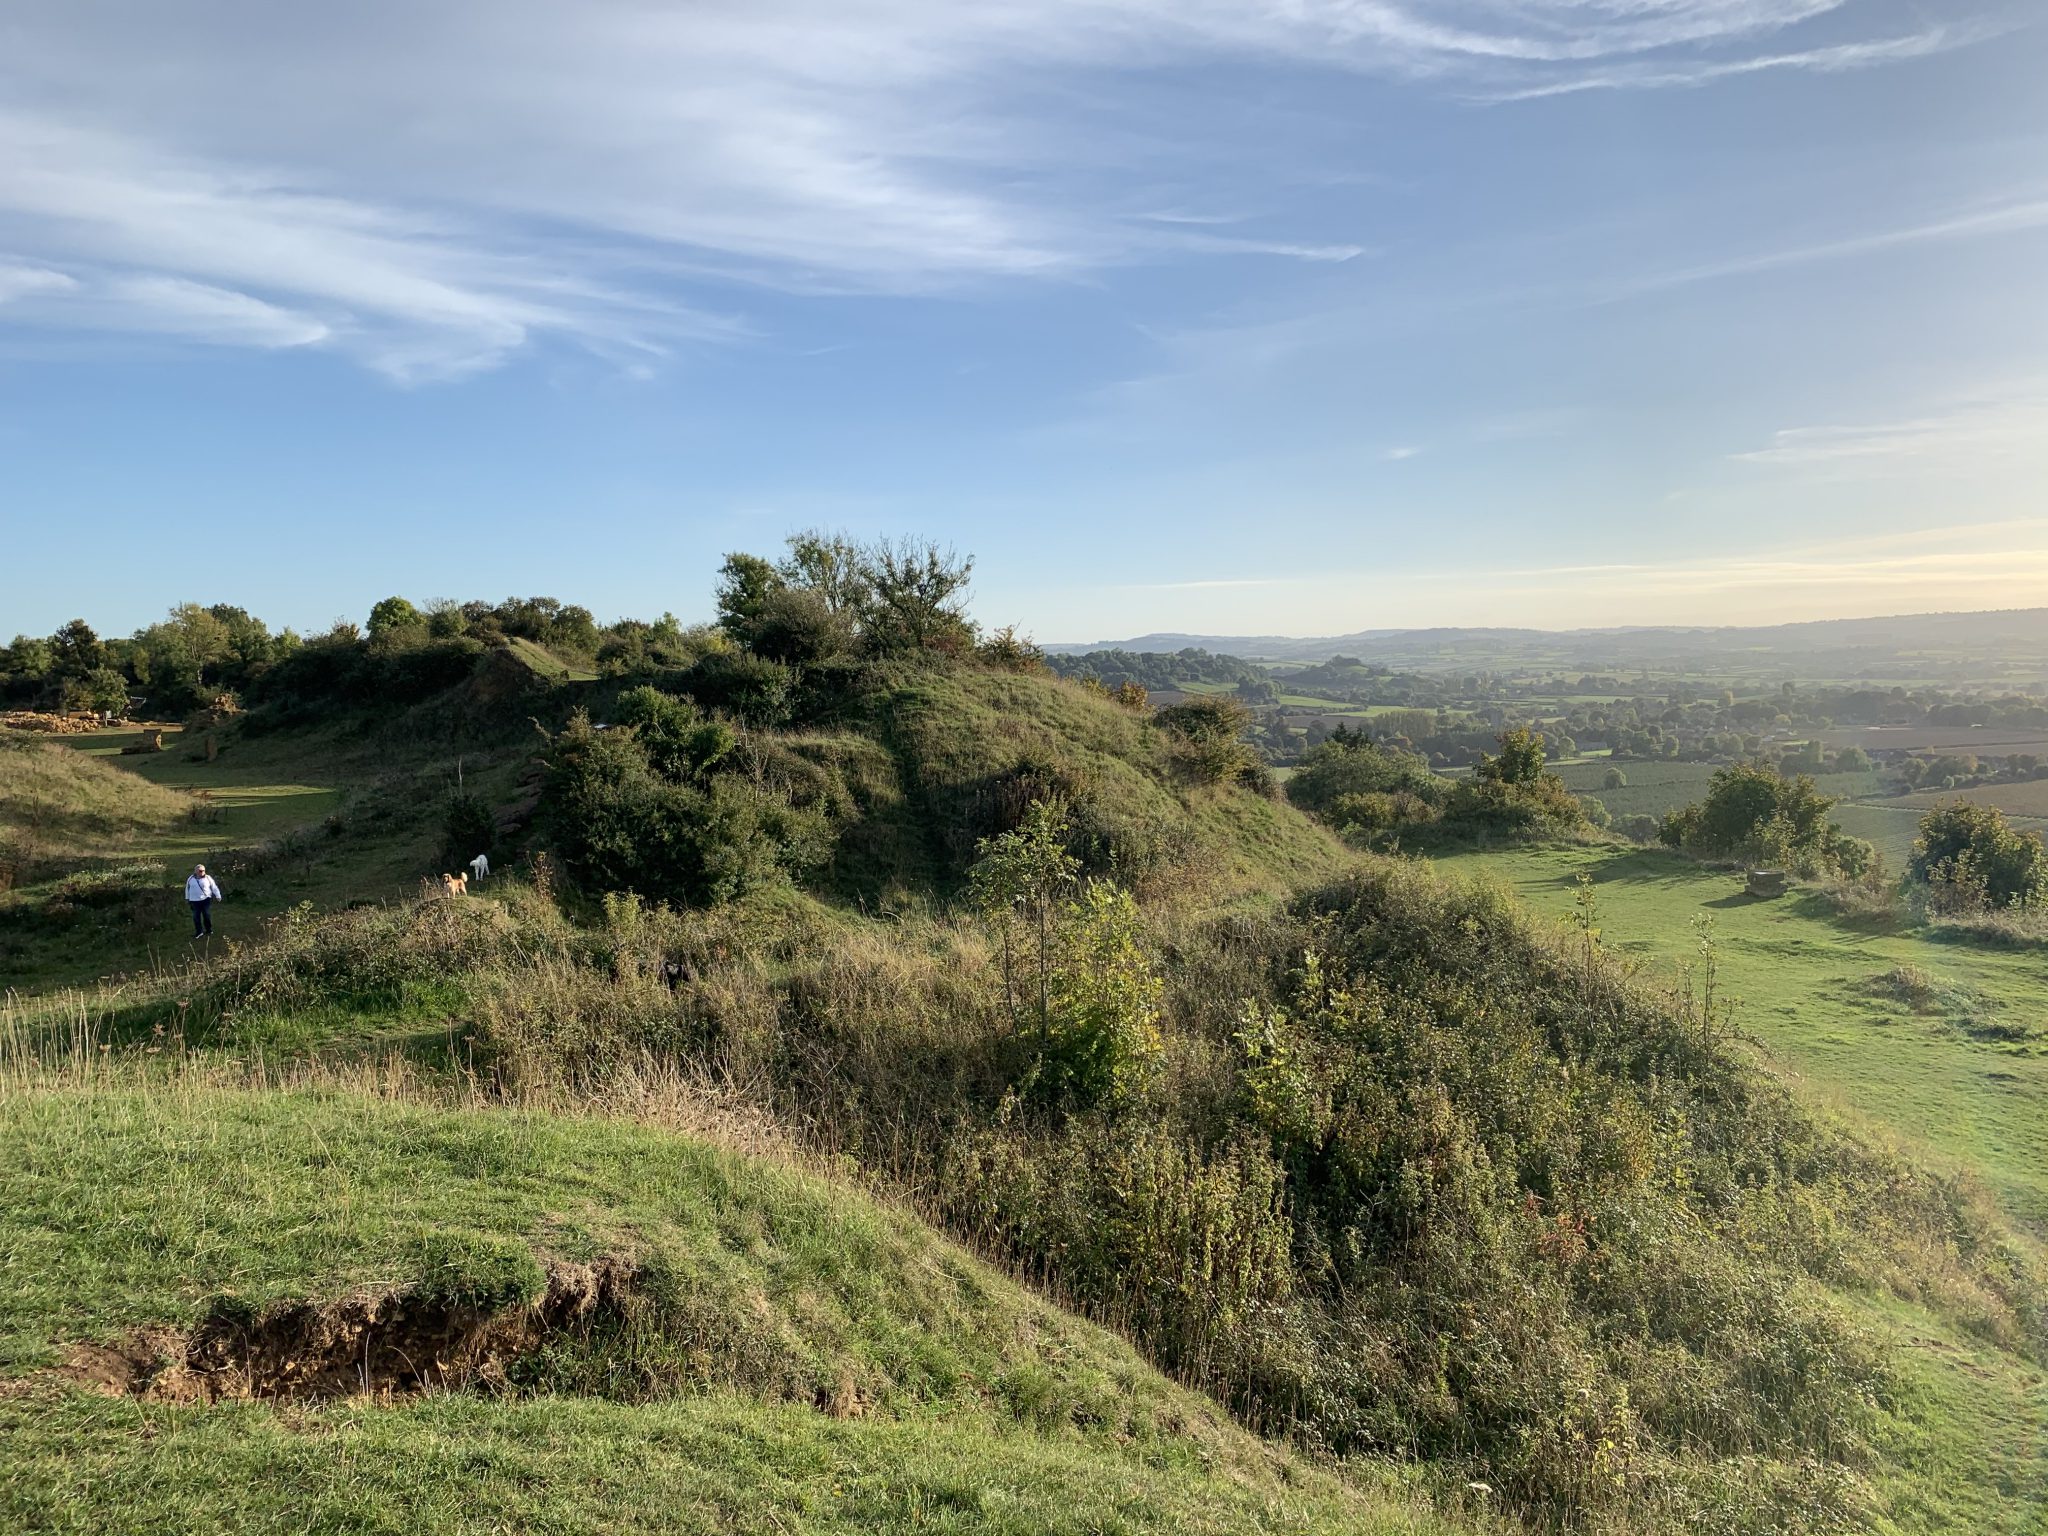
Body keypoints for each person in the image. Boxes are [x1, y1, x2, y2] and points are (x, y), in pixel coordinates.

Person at [185, 864, 223, 939]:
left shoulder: (208, 878)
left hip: (205, 899)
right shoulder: (190, 879)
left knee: (206, 915)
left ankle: (208, 929)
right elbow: (187, 888)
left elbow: (214, 887)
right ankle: (199, 932)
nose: (202, 872)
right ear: (196, 871)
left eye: (203, 870)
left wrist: (218, 895)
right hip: (194, 901)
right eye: (200, 871)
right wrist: (187, 898)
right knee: (196, 917)